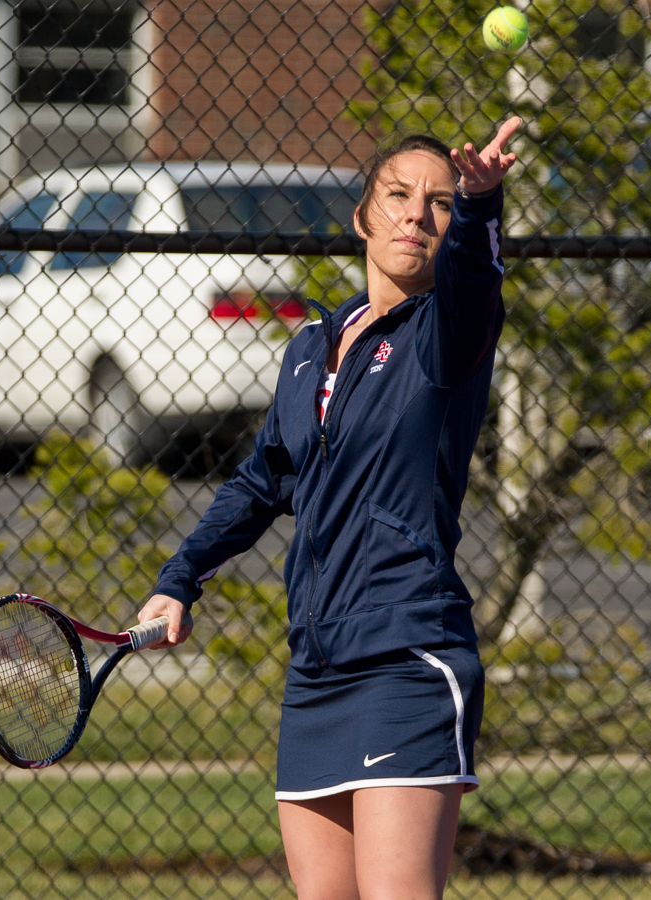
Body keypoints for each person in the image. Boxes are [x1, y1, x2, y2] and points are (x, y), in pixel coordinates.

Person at [139, 115, 522, 900]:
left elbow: (477, 282)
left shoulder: (446, 334)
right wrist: (181, 578)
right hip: (315, 672)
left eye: (439, 203)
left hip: (407, 656)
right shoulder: (313, 344)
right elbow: (260, 481)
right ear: (362, 216)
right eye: (398, 195)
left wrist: (482, 205)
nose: (417, 214)